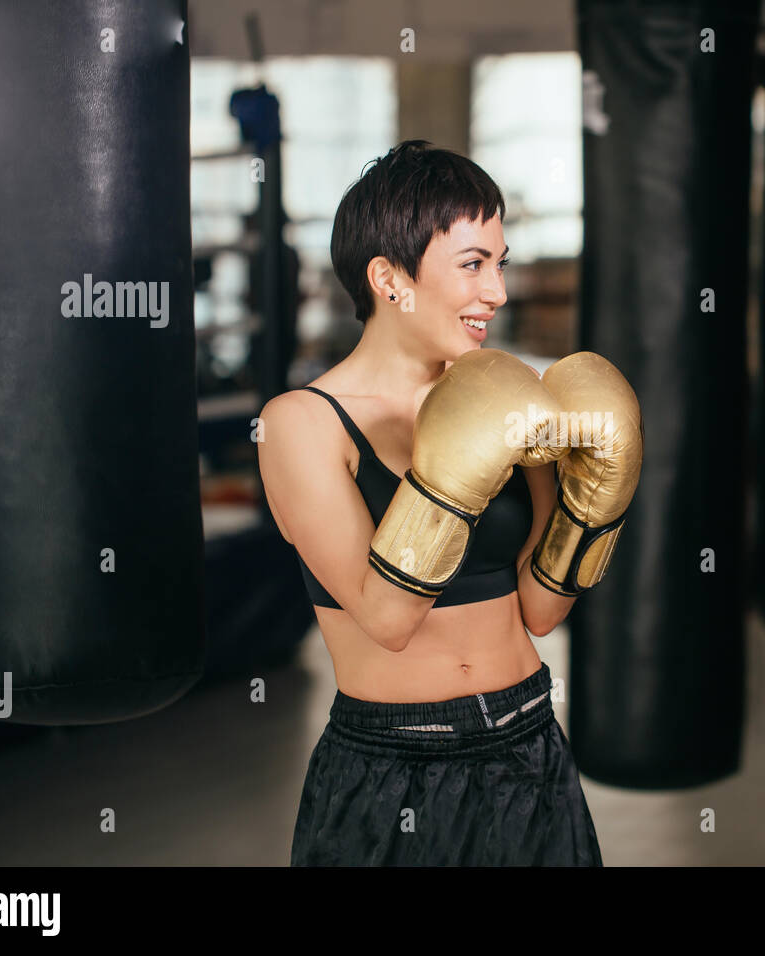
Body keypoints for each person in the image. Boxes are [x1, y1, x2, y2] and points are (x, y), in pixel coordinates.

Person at [256, 140, 641, 866]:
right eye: (472, 264)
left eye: (499, 261)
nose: (496, 291)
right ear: (389, 278)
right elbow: (387, 620)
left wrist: (594, 506)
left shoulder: (507, 398)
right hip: (393, 767)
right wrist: (454, 471)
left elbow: (541, 611)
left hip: (530, 748)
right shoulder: (301, 423)